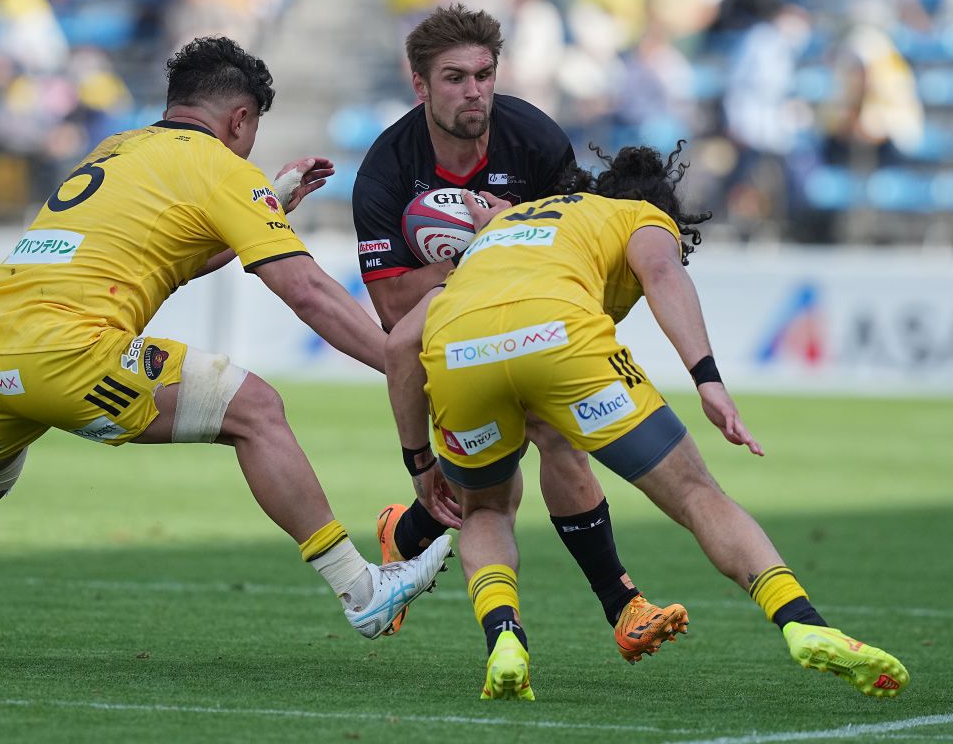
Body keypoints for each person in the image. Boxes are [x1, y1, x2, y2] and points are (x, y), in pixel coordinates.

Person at [0, 36, 452, 660]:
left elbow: (175, 256)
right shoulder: (220, 168)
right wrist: (400, 360)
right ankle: (361, 590)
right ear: (240, 120)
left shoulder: (116, 149)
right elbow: (307, 292)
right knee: (257, 411)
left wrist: (267, 202)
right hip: (69, 352)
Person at [383, 142, 910, 700]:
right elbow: (661, 270)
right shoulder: (638, 215)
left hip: (458, 348)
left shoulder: (503, 227)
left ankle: (505, 638)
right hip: (559, 339)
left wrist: (419, 463)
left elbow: (398, 347)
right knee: (696, 494)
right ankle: (802, 622)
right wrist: (707, 378)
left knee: (486, 509)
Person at [351, 4, 686, 656]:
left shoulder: (535, 139)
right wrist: (484, 250)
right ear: (420, 85)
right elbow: (392, 305)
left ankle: (620, 607)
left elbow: (571, 242)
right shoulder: (387, 168)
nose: (473, 91)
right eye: (454, 78)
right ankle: (612, 602)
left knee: (552, 434)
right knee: (508, 474)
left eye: (483, 75)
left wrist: (508, 242)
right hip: (444, 331)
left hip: (536, 314)